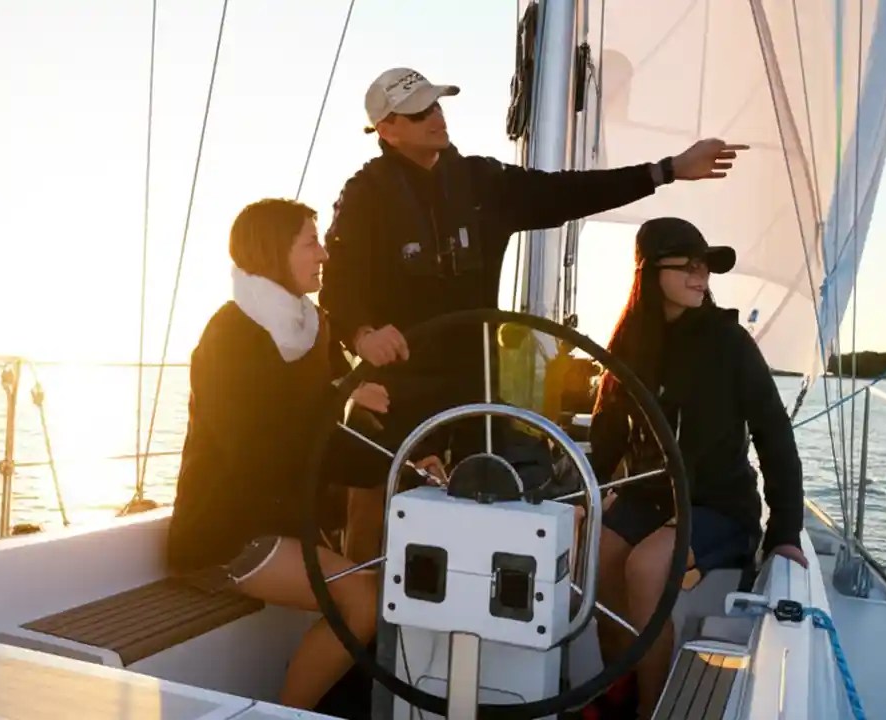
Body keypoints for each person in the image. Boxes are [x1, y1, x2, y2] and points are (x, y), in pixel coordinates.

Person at [318, 67, 749, 560]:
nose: (436, 117)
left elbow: (567, 192)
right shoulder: (364, 196)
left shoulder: (481, 182)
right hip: (394, 383)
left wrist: (666, 170)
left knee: (472, 499)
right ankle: (358, 605)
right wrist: (362, 332)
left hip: (471, 382)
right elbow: (337, 287)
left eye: (437, 105)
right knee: (371, 497)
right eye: (419, 112)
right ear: (387, 129)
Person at [166, 198, 392, 711]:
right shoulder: (229, 337)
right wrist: (343, 405)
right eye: (311, 242)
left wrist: (404, 460)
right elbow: (261, 449)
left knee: (375, 586)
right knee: (363, 599)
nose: (324, 255)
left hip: (284, 522)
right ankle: (286, 714)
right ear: (273, 251)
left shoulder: (312, 327)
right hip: (227, 531)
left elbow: (329, 428)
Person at [587, 216, 808, 716]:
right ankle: (618, 682)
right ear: (649, 273)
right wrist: (582, 488)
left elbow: (774, 435)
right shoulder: (630, 345)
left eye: (705, 267)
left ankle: (652, 707)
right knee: (594, 551)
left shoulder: (729, 344)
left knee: (646, 568)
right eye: (686, 266)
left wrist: (786, 531)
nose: (700, 276)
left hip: (719, 506)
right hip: (649, 498)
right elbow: (609, 433)